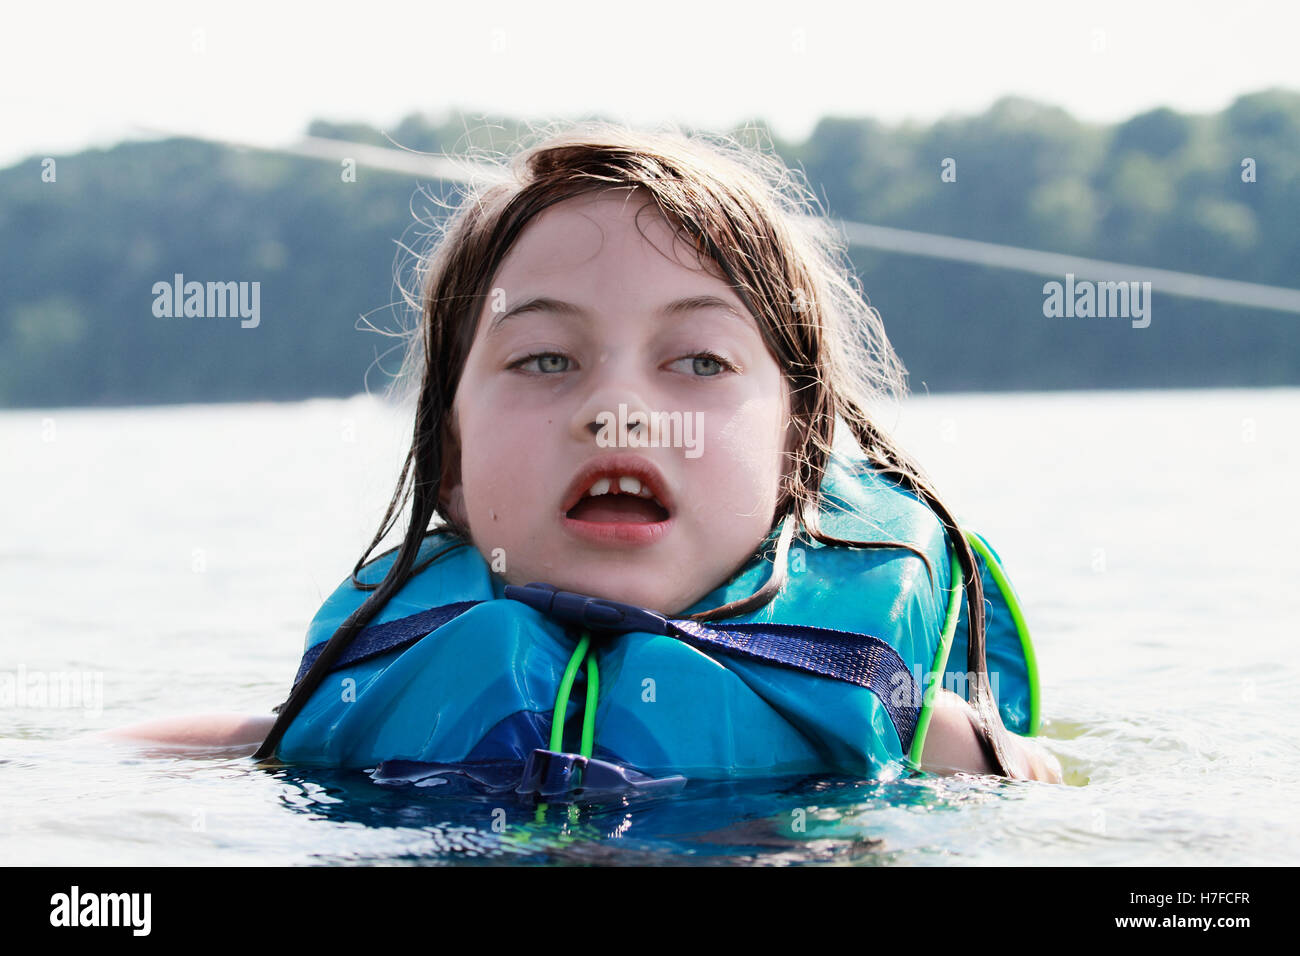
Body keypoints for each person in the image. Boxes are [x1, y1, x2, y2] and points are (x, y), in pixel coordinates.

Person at [101, 123, 1062, 784]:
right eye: (545, 358)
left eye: (697, 359)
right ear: (452, 467)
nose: (615, 411)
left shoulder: (917, 746)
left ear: (795, 455)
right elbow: (129, 754)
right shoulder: (339, 724)